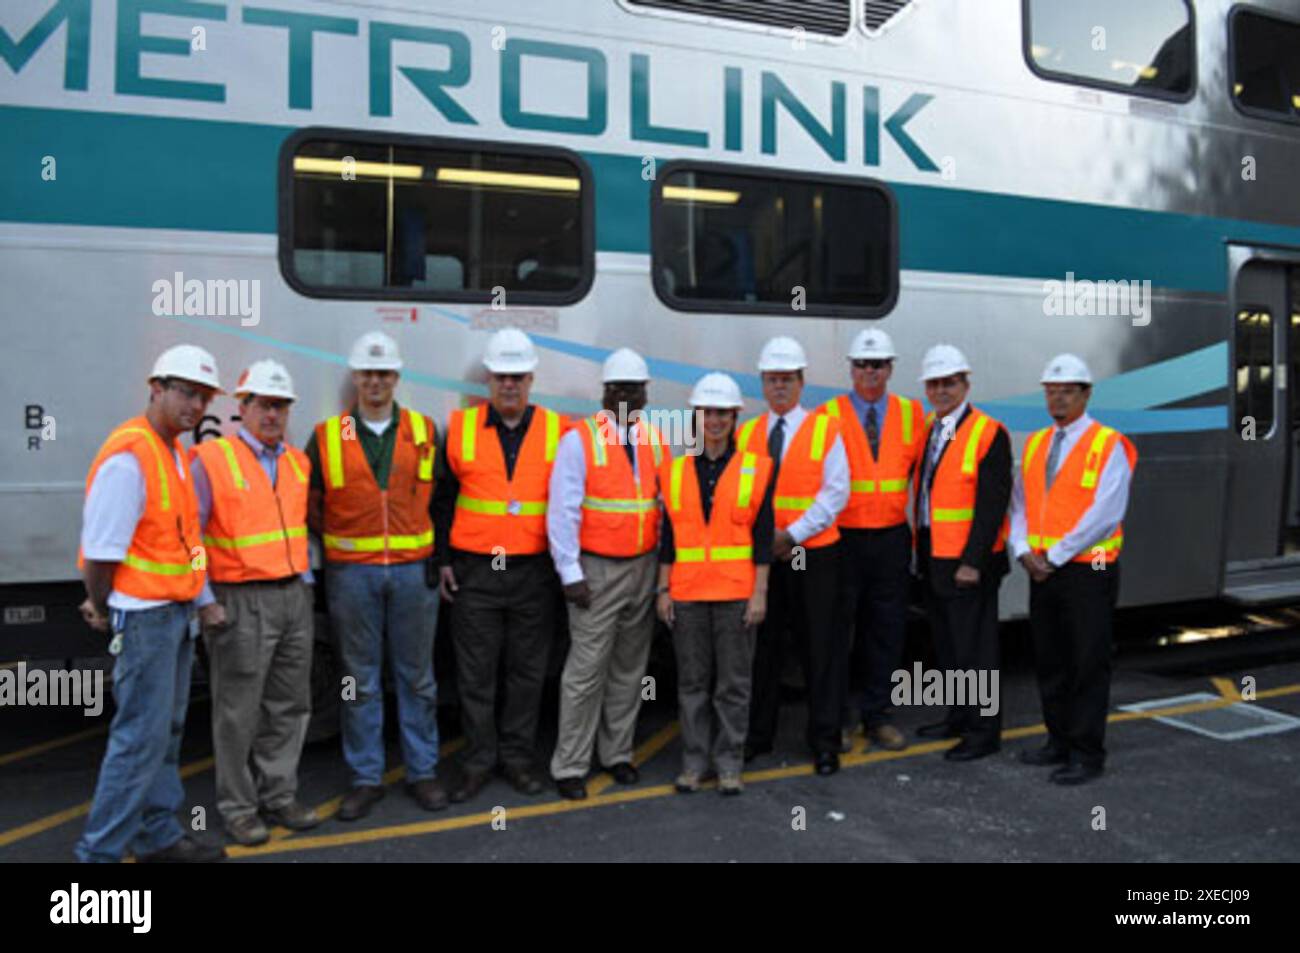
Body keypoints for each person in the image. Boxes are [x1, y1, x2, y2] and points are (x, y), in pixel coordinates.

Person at [76, 344, 226, 863]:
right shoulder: (130, 455)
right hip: (145, 619)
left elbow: (182, 542)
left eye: (203, 396)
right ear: (156, 389)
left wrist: (201, 599)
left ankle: (158, 837)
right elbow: (100, 553)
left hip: (175, 616)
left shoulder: (175, 454)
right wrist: (101, 604)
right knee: (139, 742)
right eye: (185, 392)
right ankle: (96, 859)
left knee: (167, 732)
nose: (195, 405)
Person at [305, 331, 442, 821]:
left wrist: (437, 556)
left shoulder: (425, 432)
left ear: (396, 378)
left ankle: (422, 772)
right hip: (353, 577)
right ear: (356, 378)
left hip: (412, 574)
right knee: (357, 682)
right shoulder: (328, 436)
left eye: (384, 373)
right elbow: (310, 504)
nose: (376, 381)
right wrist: (344, 545)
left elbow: (442, 500)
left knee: (417, 679)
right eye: (367, 373)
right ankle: (366, 778)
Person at [191, 360, 321, 845]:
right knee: (237, 711)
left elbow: (296, 528)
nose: (272, 414)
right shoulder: (212, 460)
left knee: (290, 705)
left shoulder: (296, 462)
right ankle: (239, 808)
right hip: (238, 601)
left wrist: (304, 582)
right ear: (241, 407)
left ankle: (280, 795)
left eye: (280, 406)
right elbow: (191, 536)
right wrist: (204, 599)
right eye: (263, 405)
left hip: (292, 596)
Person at [434, 328, 564, 803]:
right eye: (501, 377)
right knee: (476, 675)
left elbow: (568, 505)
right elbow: (443, 501)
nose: (509, 385)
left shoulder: (559, 429)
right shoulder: (462, 429)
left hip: (534, 573)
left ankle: (517, 760)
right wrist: (444, 561)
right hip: (477, 573)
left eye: (517, 377)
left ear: (531, 380)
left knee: (527, 675)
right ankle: (477, 763)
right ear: (488, 381)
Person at [1010, 354, 1136, 785]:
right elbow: (1021, 504)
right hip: (1043, 569)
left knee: (1087, 661)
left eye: (1066, 391)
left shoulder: (1108, 444)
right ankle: (1057, 741)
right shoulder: (1036, 444)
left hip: (1087, 571)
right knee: (1051, 659)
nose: (1057, 398)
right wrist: (1022, 548)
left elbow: (1105, 513)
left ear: (1086, 394)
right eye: (1051, 391)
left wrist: (1054, 556)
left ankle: (1086, 752)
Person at [547, 349, 667, 799]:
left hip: (643, 566)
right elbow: (562, 512)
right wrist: (570, 573)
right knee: (585, 671)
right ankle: (570, 766)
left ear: (644, 395)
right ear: (604, 392)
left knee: (629, 670)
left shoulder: (655, 440)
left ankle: (617, 755)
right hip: (596, 572)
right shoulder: (580, 439)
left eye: (633, 389)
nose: (625, 396)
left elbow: (664, 506)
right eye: (617, 388)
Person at [658, 373, 774, 795]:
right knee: (691, 685)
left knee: (733, 686)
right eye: (708, 412)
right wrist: (663, 589)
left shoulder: (756, 470)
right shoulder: (673, 472)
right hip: (687, 594)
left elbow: (763, 537)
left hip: (735, 594)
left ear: (735, 417)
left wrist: (759, 592)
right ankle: (693, 763)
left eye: (723, 412)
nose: (715, 420)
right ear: (697, 417)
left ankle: (728, 764)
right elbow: (667, 537)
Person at [739, 336, 849, 775]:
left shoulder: (826, 429)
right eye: (771, 379)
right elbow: (742, 496)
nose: (779, 387)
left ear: (802, 382)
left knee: (820, 648)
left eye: (787, 379)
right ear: (763, 384)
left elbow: (835, 492)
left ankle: (825, 740)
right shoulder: (748, 433)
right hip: (766, 559)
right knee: (761, 649)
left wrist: (793, 535)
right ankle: (757, 735)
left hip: (813, 555)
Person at [822, 328, 923, 753]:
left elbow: (924, 477)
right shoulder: (828, 416)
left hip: (891, 538)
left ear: (890, 368)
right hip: (843, 538)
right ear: (851, 368)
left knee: (886, 630)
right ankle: (839, 719)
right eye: (862, 364)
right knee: (839, 632)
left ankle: (877, 716)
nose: (870, 372)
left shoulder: (912, 414)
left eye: (878, 364)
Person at [912, 344, 1011, 762]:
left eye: (949, 383)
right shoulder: (931, 430)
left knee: (977, 649)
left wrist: (972, 561)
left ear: (965, 384)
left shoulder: (989, 433)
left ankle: (984, 731)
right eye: (934, 384)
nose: (941, 390)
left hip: (969, 562)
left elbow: (993, 504)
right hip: (936, 555)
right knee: (949, 645)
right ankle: (958, 716)